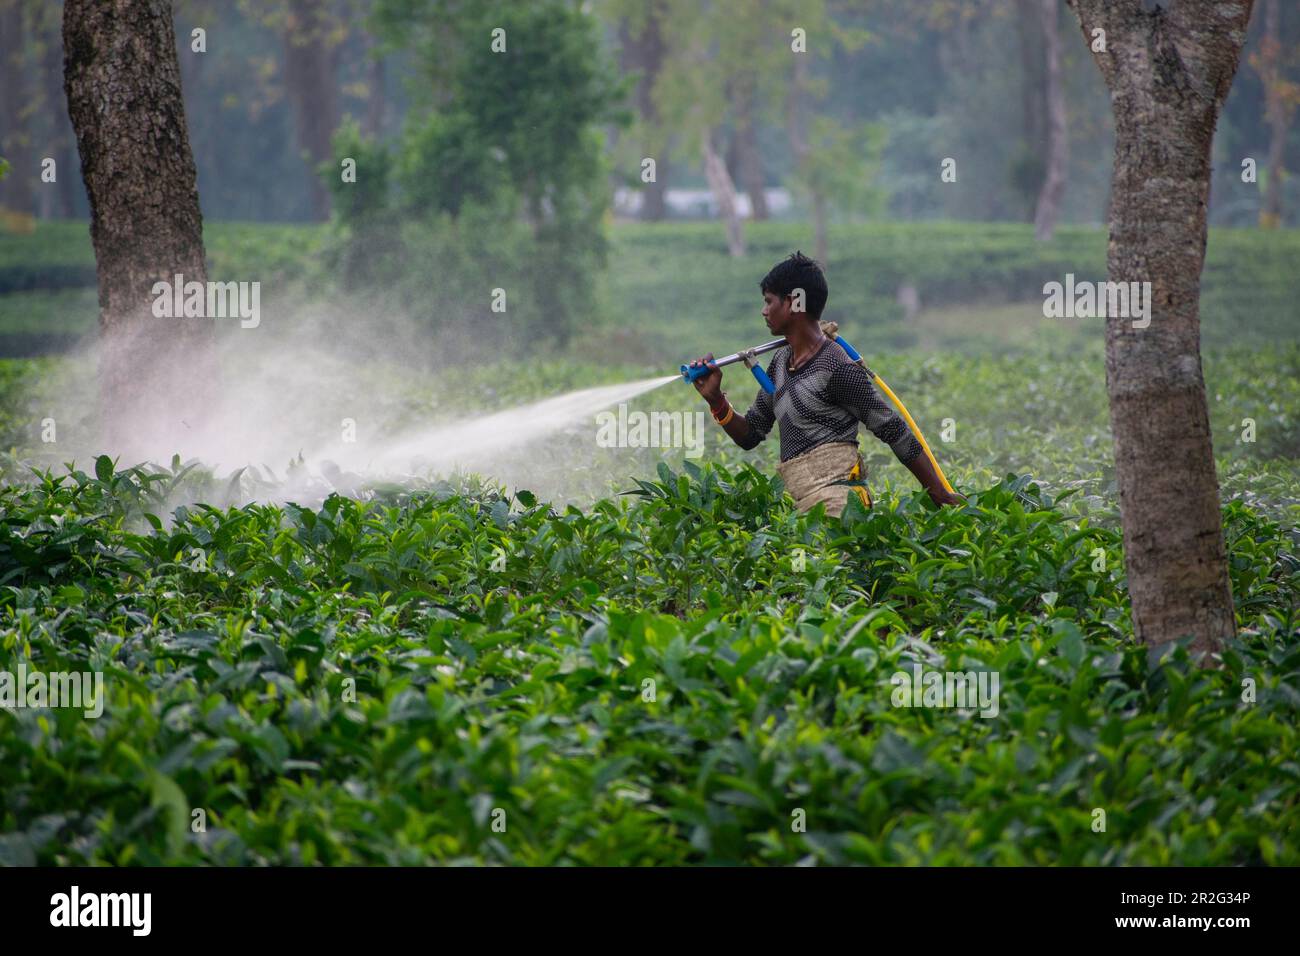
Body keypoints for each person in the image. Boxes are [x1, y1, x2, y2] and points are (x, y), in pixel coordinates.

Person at [688, 251, 962, 516]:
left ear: (794, 302)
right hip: (805, 504)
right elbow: (751, 434)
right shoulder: (781, 362)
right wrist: (717, 402)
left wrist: (938, 492)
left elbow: (893, 429)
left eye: (769, 301)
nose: (763, 311)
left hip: (841, 506)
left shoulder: (836, 368)